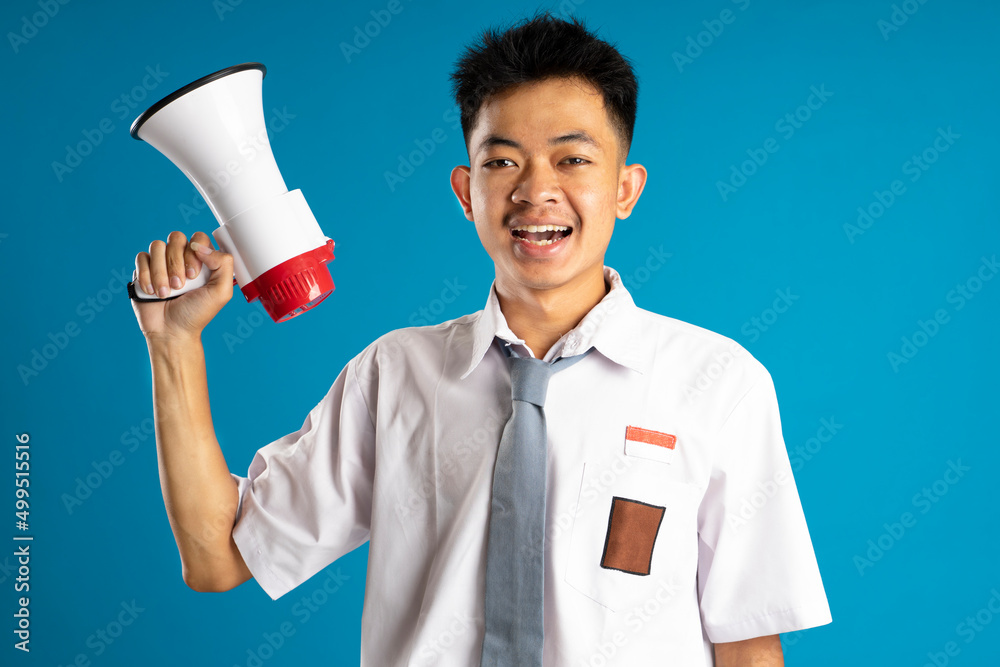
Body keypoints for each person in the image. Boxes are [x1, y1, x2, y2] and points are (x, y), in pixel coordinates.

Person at [131, 11, 831, 666]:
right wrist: (174, 343)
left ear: (626, 187)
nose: (535, 192)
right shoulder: (393, 375)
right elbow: (218, 557)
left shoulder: (718, 382)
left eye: (573, 160)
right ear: (466, 191)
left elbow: (745, 643)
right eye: (503, 162)